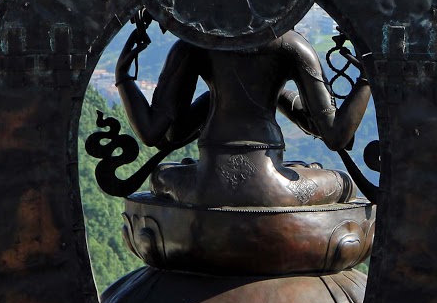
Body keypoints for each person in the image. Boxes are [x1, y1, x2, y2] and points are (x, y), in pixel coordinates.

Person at [115, 22, 371, 208]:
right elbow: (335, 135)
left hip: (205, 187)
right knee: (343, 183)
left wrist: (124, 77)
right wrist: (366, 79)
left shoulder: (194, 43)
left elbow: (156, 132)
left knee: (162, 175)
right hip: (276, 188)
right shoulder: (291, 45)